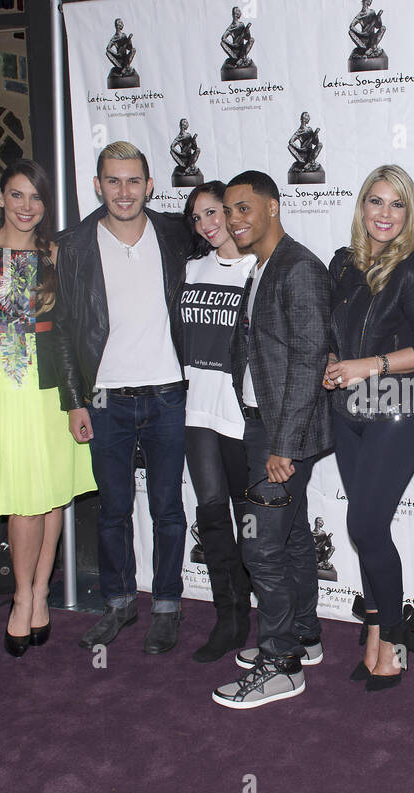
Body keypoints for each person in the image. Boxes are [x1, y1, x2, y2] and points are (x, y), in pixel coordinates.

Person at [52, 141, 193, 655]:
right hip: (106, 400)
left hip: (167, 395)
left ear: (150, 185)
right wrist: (74, 400)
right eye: (113, 181)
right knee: (112, 510)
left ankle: (167, 605)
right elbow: (63, 331)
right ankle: (117, 601)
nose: (124, 191)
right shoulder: (73, 247)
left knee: (167, 509)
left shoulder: (176, 234)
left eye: (134, 180)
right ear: (97, 185)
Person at [0, 159, 96, 657]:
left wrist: (77, 399)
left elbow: (69, 331)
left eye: (36, 198)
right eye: (17, 195)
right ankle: (20, 596)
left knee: (53, 493)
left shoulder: (57, 253)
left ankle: (39, 593)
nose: (27, 207)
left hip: (49, 389)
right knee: (22, 500)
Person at [323, 164, 414, 690]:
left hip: (397, 411)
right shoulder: (345, 265)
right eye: (376, 201)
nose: (384, 213)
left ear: (409, 213)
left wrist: (369, 364)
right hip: (347, 415)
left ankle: (395, 638)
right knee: (365, 528)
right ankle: (376, 630)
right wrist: (335, 360)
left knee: (365, 528)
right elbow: (339, 331)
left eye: (397, 204)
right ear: (361, 206)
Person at [212, 170, 333, 709]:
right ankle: (304, 636)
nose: (234, 220)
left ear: (273, 207)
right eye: (228, 211)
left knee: (259, 545)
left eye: (244, 209)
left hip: (282, 431)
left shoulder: (299, 268)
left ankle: (280, 661)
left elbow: (309, 360)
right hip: (267, 424)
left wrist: (283, 445)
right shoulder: (262, 266)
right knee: (290, 537)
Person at [178, 181, 257, 662]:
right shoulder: (190, 269)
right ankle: (227, 616)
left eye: (214, 213)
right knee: (211, 516)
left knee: (249, 520)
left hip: (240, 414)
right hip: (196, 411)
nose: (207, 224)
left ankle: (258, 612)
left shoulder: (255, 268)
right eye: (198, 218)